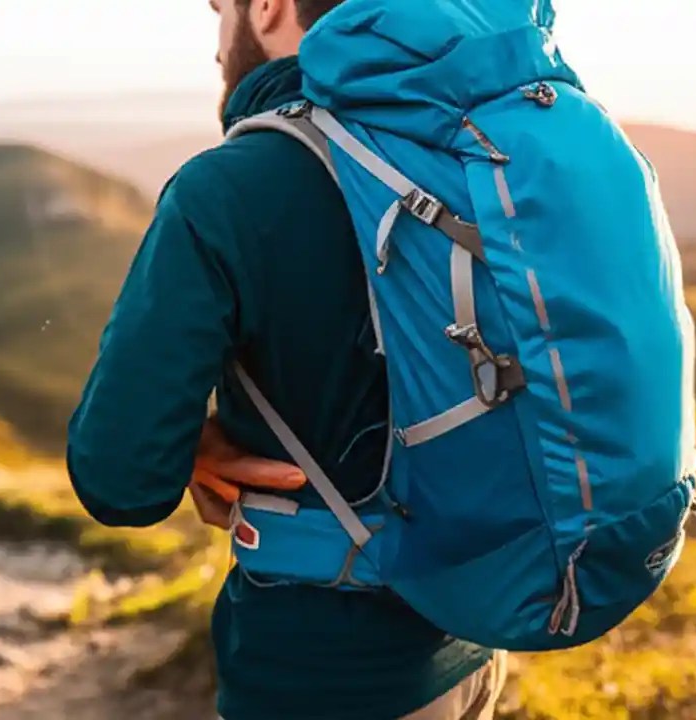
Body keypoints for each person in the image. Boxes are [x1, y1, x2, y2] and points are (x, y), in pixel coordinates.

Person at [65, 1, 508, 718]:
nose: (216, 34)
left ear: (267, 6)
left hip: (318, 674)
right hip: (474, 640)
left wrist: (188, 440)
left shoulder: (230, 186)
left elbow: (119, 478)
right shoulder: (475, 151)